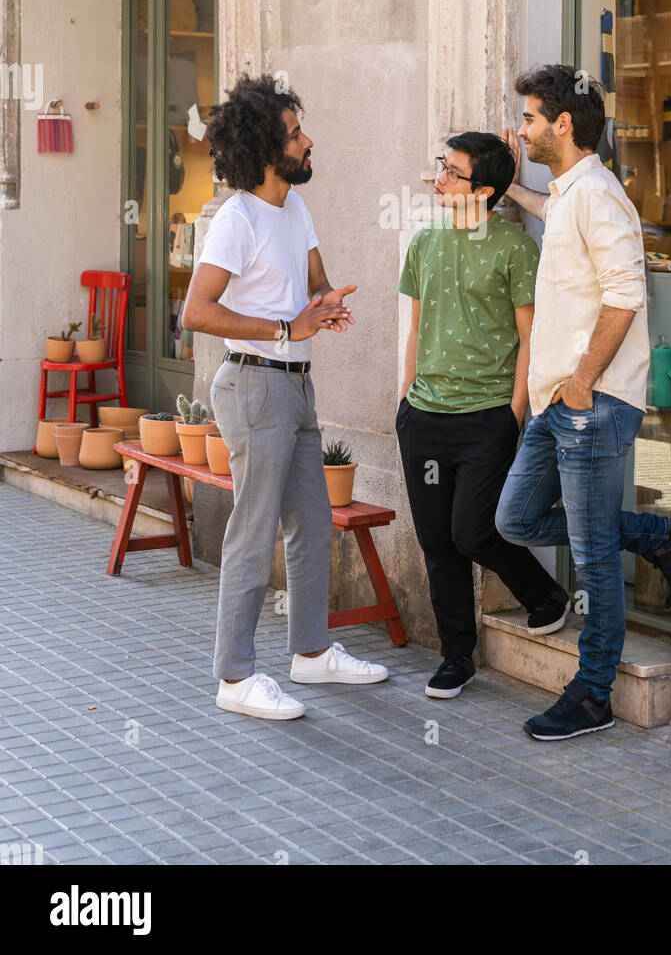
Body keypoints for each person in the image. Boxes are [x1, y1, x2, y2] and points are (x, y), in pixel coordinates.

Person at [495, 65, 671, 740]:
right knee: (516, 519)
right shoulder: (570, 193)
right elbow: (549, 208)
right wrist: (508, 188)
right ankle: (656, 534)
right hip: (559, 401)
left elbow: (625, 292)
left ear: (563, 123)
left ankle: (592, 694)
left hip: (590, 401)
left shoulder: (600, 195)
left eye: (529, 118)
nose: (522, 128)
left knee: (589, 559)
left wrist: (583, 379)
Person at [183, 74, 388, 721]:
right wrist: (283, 327)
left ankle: (310, 652)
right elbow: (196, 311)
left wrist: (321, 306)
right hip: (253, 384)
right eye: (296, 134)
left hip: (295, 384)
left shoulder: (293, 208)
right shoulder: (234, 220)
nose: (308, 142)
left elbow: (312, 282)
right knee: (253, 529)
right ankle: (235, 677)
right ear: (267, 149)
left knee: (312, 520)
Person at [396, 133, 571, 701]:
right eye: (441, 166)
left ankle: (546, 595)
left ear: (487, 190)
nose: (439, 178)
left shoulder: (516, 249)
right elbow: (416, 328)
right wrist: (404, 401)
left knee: (472, 530)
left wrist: (512, 415)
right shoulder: (424, 244)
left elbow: (530, 338)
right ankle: (456, 656)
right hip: (423, 417)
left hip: (485, 417)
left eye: (453, 171)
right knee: (436, 543)